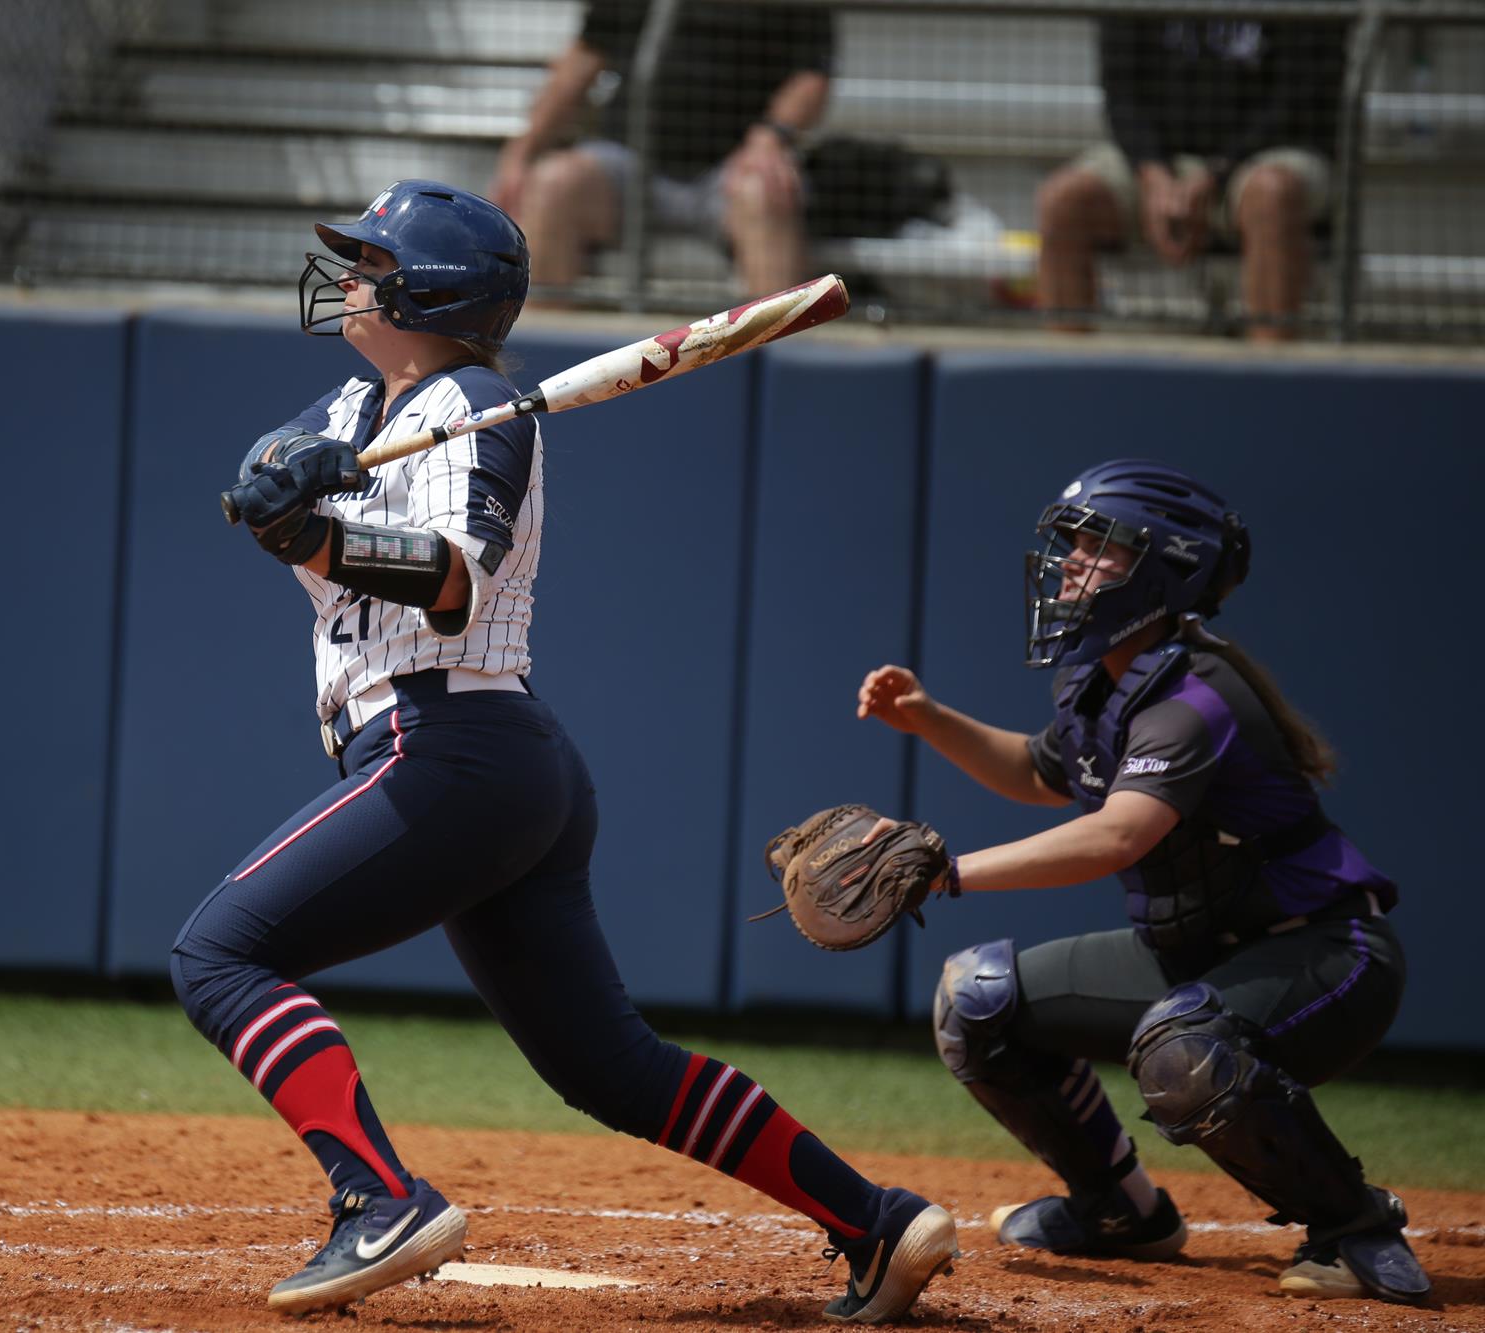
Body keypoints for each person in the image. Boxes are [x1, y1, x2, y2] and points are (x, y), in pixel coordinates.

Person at [172, 178, 958, 1322]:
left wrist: (318, 534)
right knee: (608, 1066)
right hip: (489, 768)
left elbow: (450, 576)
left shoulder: (486, 420)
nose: (347, 279)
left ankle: (377, 1196)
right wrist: (273, 489)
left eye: (370, 263)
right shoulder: (352, 407)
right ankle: (875, 1221)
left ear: (427, 292)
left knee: (216, 955)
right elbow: (272, 475)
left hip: (450, 746)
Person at [856, 459, 1431, 1306]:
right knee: (978, 999)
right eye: (1075, 546)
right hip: (1199, 955)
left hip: (1328, 956)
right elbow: (1037, 769)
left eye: (1102, 550)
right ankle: (1122, 1212)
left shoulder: (1195, 693)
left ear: (1166, 572)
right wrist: (928, 718)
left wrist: (947, 874)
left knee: (1186, 1045)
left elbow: (1119, 833)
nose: (1075, 566)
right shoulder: (1106, 679)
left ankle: (1356, 1229)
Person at [489, 0, 832, 302]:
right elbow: (581, 63)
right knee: (554, 183)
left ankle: (773, 357)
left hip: (732, 165)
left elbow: (812, 74)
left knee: (766, 191)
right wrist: (521, 153)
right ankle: (549, 360)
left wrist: (770, 138)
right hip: (628, 160)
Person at [1035, 19, 1346, 340]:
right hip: (1157, 160)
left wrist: (1216, 175)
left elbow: (1300, 99)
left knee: (1272, 194)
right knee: (1064, 199)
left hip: (1266, 152)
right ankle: (1069, 376)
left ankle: (1273, 373)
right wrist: (1154, 176)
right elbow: (1121, 94)